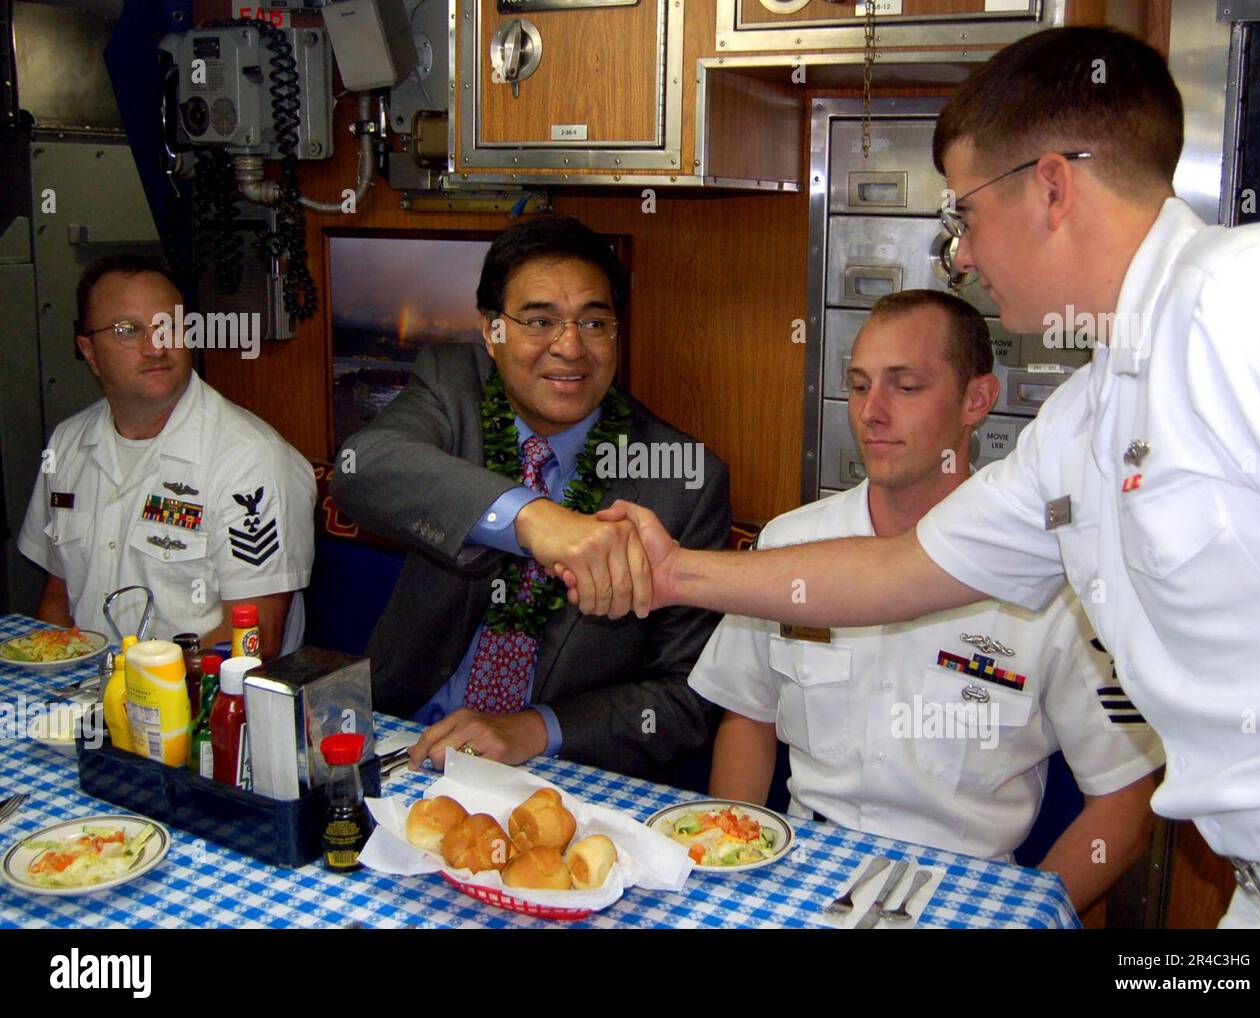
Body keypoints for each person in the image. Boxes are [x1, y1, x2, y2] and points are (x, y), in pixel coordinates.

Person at [575, 27, 1260, 929]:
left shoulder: (1256, 302)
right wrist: (675, 572)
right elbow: (901, 571)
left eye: (963, 215)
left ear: (1051, 186)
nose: (959, 255)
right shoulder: (1084, 417)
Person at [689, 290, 1161, 912]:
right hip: (803, 877)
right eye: (859, 387)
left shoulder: (1057, 578)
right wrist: (736, 865)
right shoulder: (792, 545)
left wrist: (1022, 924)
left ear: (977, 401)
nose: (871, 413)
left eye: (905, 387)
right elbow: (747, 716)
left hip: (964, 893)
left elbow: (1123, 801)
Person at [330, 216, 730, 782]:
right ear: (492, 331)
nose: (570, 347)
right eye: (540, 320)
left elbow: (687, 701)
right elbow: (361, 467)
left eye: (594, 321)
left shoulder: (683, 480)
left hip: (559, 772)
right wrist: (530, 516)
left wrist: (534, 728)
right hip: (406, 734)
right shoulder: (453, 389)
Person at [18, 254, 316, 657]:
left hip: (200, 704)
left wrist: (136, 691)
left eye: (169, 326)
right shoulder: (66, 444)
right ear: (89, 352)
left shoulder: (251, 461)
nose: (155, 345)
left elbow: (253, 640)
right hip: (85, 694)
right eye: (128, 330)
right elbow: (58, 597)